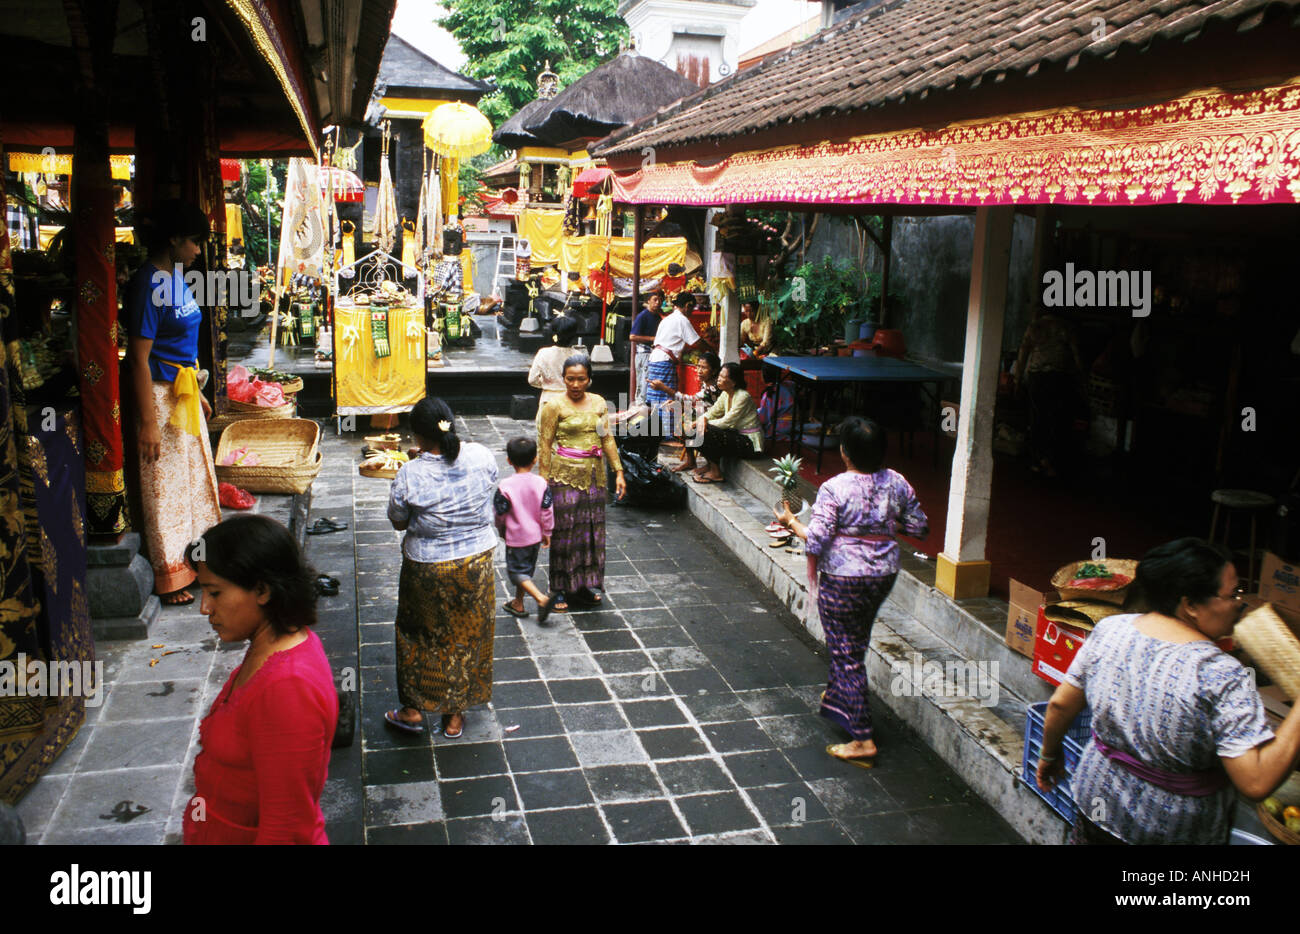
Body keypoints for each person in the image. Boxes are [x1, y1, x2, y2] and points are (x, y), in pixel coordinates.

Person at [1036, 538, 1300, 845]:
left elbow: (1059, 706)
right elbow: (1256, 782)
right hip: (1173, 830)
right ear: (1189, 605)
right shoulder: (1220, 674)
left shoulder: (1111, 630)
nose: (1240, 603)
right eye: (1233, 594)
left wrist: (1049, 754)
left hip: (1097, 798)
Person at [775, 417, 928, 765]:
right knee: (854, 640)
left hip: (844, 577)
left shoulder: (834, 488)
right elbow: (920, 527)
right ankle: (840, 695)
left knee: (845, 652)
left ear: (844, 453)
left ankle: (862, 739)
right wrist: (883, 521)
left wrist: (791, 522)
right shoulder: (897, 483)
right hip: (882, 574)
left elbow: (817, 538)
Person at [183, 515, 337, 844]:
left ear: (263, 590)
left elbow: (286, 828)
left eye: (215, 593)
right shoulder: (268, 649)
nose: (204, 608)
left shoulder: (288, 689)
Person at [124, 199, 221, 606]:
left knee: (195, 482)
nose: (199, 250)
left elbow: (178, 346)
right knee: (164, 486)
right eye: (195, 242)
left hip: (181, 393)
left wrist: (196, 393)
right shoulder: (149, 282)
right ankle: (169, 573)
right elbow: (139, 358)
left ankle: (198, 562)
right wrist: (147, 420)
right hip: (159, 400)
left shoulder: (175, 276)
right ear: (174, 239)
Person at [385, 398, 498, 739]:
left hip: (428, 568)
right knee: (466, 637)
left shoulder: (411, 473)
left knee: (417, 635)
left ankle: (413, 709)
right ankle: (454, 716)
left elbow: (398, 521)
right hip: (476, 562)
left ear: (417, 437)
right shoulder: (482, 455)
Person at [539, 355, 627, 613]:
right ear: (563, 378)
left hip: (594, 478)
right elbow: (544, 444)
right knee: (565, 534)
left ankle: (583, 585)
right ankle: (558, 588)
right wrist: (543, 482)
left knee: (590, 532)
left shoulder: (599, 402)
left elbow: (607, 438)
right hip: (564, 476)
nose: (575, 384)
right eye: (570, 379)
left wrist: (618, 471)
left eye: (581, 379)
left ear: (589, 379)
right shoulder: (553, 406)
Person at [1013, 307, 1084, 477]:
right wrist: (1082, 379)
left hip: (1037, 377)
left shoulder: (1035, 327)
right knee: (1057, 418)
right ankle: (1051, 461)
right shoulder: (1066, 327)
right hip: (1059, 377)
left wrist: (1017, 380)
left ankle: (1038, 460)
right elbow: (1077, 355)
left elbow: (1022, 354)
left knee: (1037, 418)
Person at [496, 437, 556, 625]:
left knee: (516, 573)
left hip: (516, 538)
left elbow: (500, 514)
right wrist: (547, 532)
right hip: (535, 537)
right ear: (535, 459)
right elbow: (547, 510)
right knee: (526, 570)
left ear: (509, 461)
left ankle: (541, 599)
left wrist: (501, 530)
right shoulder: (541, 483)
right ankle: (518, 603)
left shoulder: (505, 486)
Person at [689, 361, 765, 483]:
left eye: (723, 377)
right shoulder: (725, 393)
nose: (719, 379)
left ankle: (716, 473)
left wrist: (703, 424)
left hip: (750, 443)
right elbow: (713, 412)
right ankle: (710, 466)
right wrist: (701, 419)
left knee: (709, 431)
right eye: (719, 376)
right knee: (695, 430)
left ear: (733, 382)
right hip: (737, 435)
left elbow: (727, 422)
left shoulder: (743, 396)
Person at [643, 291, 703, 443]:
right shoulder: (681, 319)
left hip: (656, 359)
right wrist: (712, 349)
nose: (692, 312)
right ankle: (669, 436)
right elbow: (696, 342)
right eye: (692, 308)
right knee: (667, 398)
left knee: (658, 399)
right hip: (664, 361)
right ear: (688, 306)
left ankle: (658, 432)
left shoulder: (668, 319)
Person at [650, 351, 720, 474]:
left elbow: (691, 399)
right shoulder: (706, 383)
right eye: (698, 366)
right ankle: (691, 460)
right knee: (682, 419)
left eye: (704, 368)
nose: (699, 370)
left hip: (712, 418)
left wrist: (664, 388)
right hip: (702, 413)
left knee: (688, 423)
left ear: (713, 371)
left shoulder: (713, 388)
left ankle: (710, 464)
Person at [527, 314, 580, 435]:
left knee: (545, 444)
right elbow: (587, 382)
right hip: (572, 402)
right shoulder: (579, 355)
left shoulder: (543, 353)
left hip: (548, 400)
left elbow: (532, 379)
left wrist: (547, 383)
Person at [629, 290, 664, 404]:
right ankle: (639, 408)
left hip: (653, 354)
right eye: (655, 300)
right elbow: (632, 337)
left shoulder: (658, 316)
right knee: (643, 385)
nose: (657, 303)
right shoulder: (643, 316)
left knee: (650, 384)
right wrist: (653, 339)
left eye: (660, 300)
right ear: (648, 301)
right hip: (644, 354)